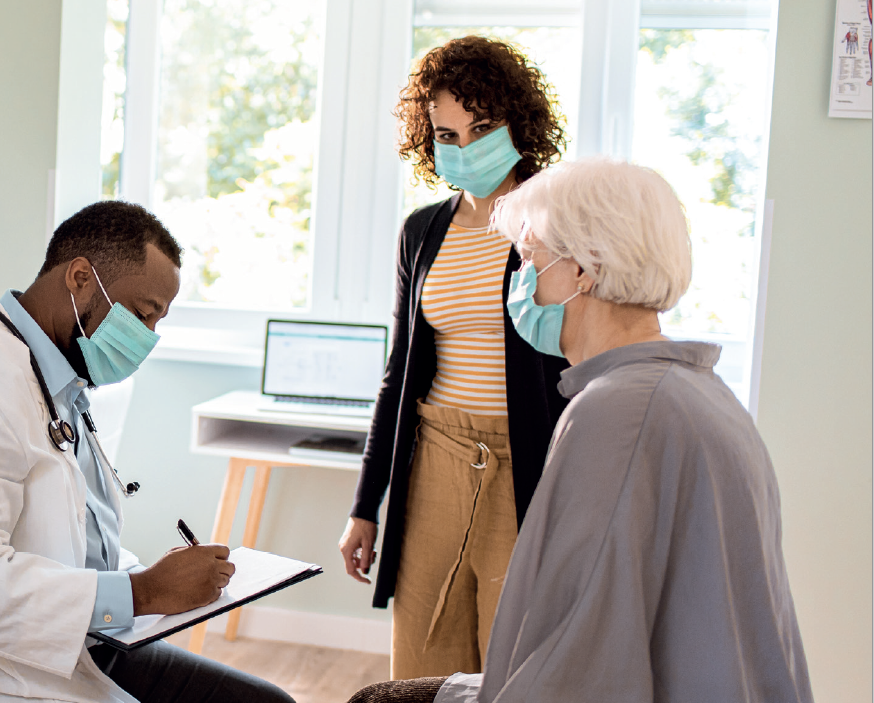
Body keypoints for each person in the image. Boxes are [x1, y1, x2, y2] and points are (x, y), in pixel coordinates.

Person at [348, 158, 814, 703]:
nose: (520, 283)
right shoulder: (701, 394)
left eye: (528, 259)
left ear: (584, 268)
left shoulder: (616, 414)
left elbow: (578, 662)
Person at [0, 201, 294, 703]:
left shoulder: (57, 381)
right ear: (81, 278)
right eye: (143, 313)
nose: (147, 337)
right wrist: (144, 593)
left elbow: (68, 538)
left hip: (75, 643)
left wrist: (145, 577)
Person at [337, 35, 570, 679]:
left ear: (519, 123)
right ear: (427, 139)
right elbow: (398, 377)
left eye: (483, 127)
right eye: (447, 133)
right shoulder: (422, 231)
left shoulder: (557, 222)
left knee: (514, 658)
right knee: (423, 655)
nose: (465, 148)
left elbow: (578, 366)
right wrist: (365, 505)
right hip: (435, 459)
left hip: (527, 465)